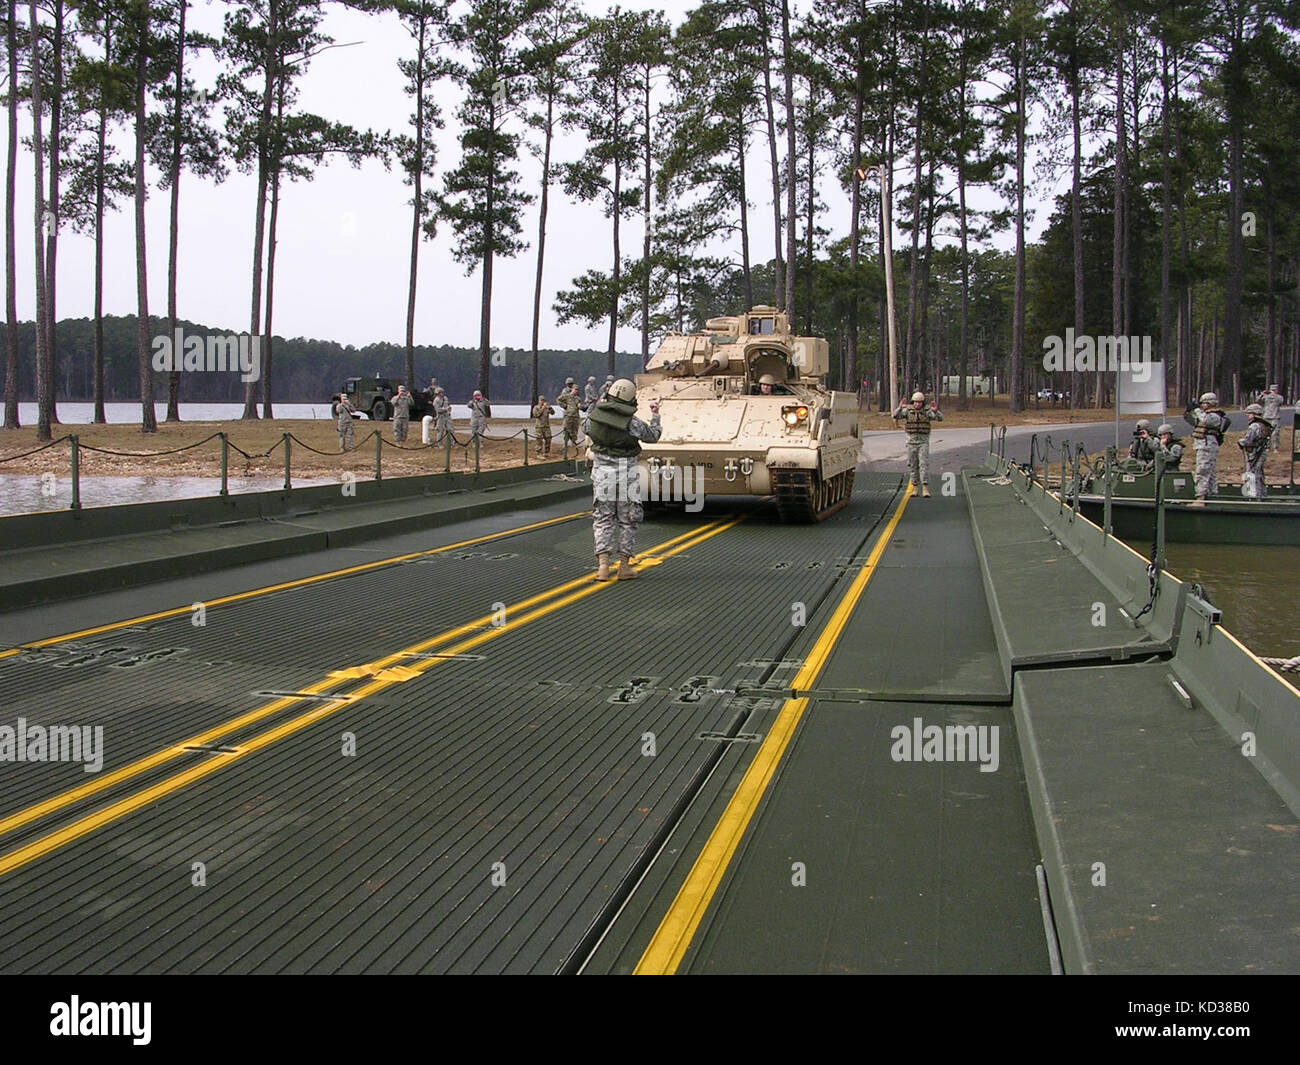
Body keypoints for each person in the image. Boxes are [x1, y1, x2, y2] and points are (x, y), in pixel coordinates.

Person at [588, 378, 661, 580]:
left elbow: (587, 430)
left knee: (603, 520)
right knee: (627, 521)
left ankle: (603, 567)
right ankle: (624, 567)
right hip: (626, 475)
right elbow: (653, 436)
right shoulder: (633, 423)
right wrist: (655, 414)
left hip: (602, 474)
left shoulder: (594, 416)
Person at [892, 389, 943, 498]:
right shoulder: (907, 411)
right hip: (911, 443)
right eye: (915, 402)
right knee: (912, 465)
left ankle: (925, 488)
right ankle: (915, 487)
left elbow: (940, 418)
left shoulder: (927, 412)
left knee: (924, 464)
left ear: (922, 403)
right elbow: (895, 416)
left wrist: (935, 411)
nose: (917, 404)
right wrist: (900, 408)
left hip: (923, 442)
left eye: (919, 402)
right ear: (912, 402)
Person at [1183, 391, 1230, 503]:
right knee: (1210, 472)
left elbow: (1205, 420)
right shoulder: (1205, 414)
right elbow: (1195, 422)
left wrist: (1197, 410)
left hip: (1207, 446)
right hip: (1203, 445)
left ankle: (1200, 497)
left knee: (1202, 471)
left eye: (1204, 403)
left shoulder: (1214, 416)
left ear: (1210, 403)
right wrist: (1188, 412)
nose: (1202, 405)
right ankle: (1211, 495)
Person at [1237, 403, 1271, 498]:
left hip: (1255, 453)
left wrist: (1240, 441)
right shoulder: (1264, 425)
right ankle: (1261, 494)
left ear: (1254, 413)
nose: (1248, 416)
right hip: (1261, 452)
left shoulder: (1254, 426)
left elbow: (1248, 440)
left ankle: (1254, 495)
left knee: (1252, 474)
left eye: (1249, 413)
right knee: (1259, 474)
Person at [557, 377, 581, 447]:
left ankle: (573, 442)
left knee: (575, 429)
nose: (570, 385)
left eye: (571, 383)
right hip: (568, 413)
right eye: (569, 383)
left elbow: (578, 400)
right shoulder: (565, 391)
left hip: (575, 413)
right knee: (566, 428)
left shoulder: (576, 391)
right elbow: (560, 399)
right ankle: (565, 443)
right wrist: (565, 406)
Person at [1262, 383, 1285, 451]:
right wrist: (1262, 394)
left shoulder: (1279, 397)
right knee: (1266, 433)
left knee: (1275, 433)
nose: (1273, 391)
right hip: (1266, 416)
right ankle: (1267, 446)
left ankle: (1276, 447)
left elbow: (1280, 401)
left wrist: (1272, 395)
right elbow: (1258, 401)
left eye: (1274, 390)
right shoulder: (1266, 397)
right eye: (1272, 390)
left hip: (1275, 417)